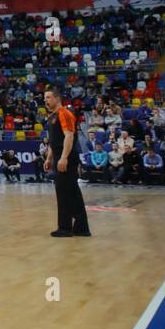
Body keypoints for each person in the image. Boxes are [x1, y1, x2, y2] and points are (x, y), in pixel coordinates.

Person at [45, 85, 90, 238]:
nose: (46, 100)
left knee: (65, 192)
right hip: (58, 156)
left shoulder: (65, 113)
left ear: (57, 98)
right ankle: (81, 227)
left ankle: (65, 228)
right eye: (45, 98)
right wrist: (49, 158)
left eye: (49, 97)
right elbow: (53, 141)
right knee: (71, 192)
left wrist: (64, 157)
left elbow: (69, 136)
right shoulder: (52, 116)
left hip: (67, 157)